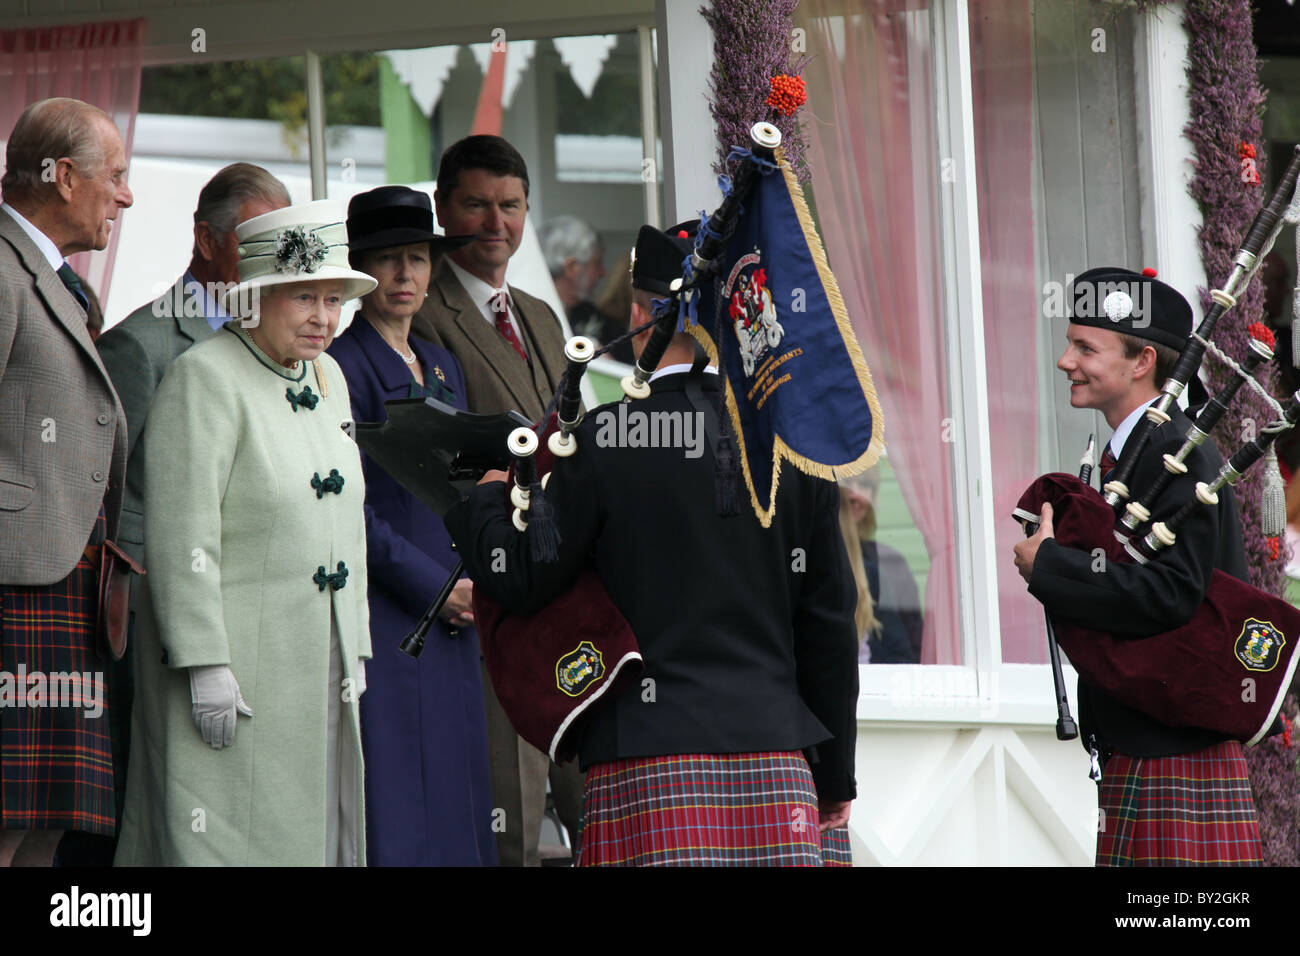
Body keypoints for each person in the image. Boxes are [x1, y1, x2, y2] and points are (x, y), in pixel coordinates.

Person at [444, 223, 859, 866]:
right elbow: (829, 626)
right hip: (779, 759)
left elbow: (525, 575)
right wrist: (835, 777)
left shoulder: (601, 439)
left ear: (640, 315)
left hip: (646, 759)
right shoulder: (793, 446)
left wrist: (484, 500)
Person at [114, 201, 376, 866]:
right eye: (305, 297)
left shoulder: (331, 378)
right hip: (236, 680)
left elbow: (347, 523)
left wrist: (358, 645)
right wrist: (205, 663)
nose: (324, 316)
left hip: (318, 667)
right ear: (256, 298)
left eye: (334, 298)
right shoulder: (202, 377)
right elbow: (181, 532)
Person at [1013, 266, 1261, 866]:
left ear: (1142, 360)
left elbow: (1171, 594)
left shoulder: (1181, 453)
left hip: (1174, 751)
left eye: (1085, 347)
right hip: (1147, 743)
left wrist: (1049, 566)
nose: (1065, 361)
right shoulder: (1134, 453)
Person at [410, 134, 582, 866]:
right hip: (487, 587)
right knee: (509, 816)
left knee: (596, 802)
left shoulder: (541, 314)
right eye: (476, 204)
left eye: (510, 206)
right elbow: (428, 459)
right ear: (444, 207)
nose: (495, 222)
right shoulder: (419, 311)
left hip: (568, 583)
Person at [327, 185, 497, 866]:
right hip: (394, 618)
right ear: (361, 273)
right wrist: (436, 588)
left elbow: (460, 488)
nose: (404, 275)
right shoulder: (340, 366)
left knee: (458, 800)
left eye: (418, 259)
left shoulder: (445, 365)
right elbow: (346, 507)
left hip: (459, 614)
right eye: (388, 260)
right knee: (401, 808)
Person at [0, 97, 133, 868]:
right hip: (14, 578)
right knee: (9, 821)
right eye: (114, 176)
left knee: (46, 826)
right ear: (61, 176)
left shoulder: (60, 282)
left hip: (64, 583)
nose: (126, 195)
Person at [98, 163, 290, 566]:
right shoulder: (137, 345)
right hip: (149, 590)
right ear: (206, 240)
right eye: (255, 243)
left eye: (281, 245)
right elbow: (96, 488)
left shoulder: (277, 342)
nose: (272, 263)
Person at [841, 468, 923, 663]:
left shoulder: (888, 563)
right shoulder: (806, 556)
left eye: (864, 485)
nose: (854, 493)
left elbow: (909, 647)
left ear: (874, 499)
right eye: (847, 481)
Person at [539, 214, 626, 360]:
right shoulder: (529, 314)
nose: (603, 273)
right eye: (596, 263)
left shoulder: (598, 319)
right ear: (572, 267)